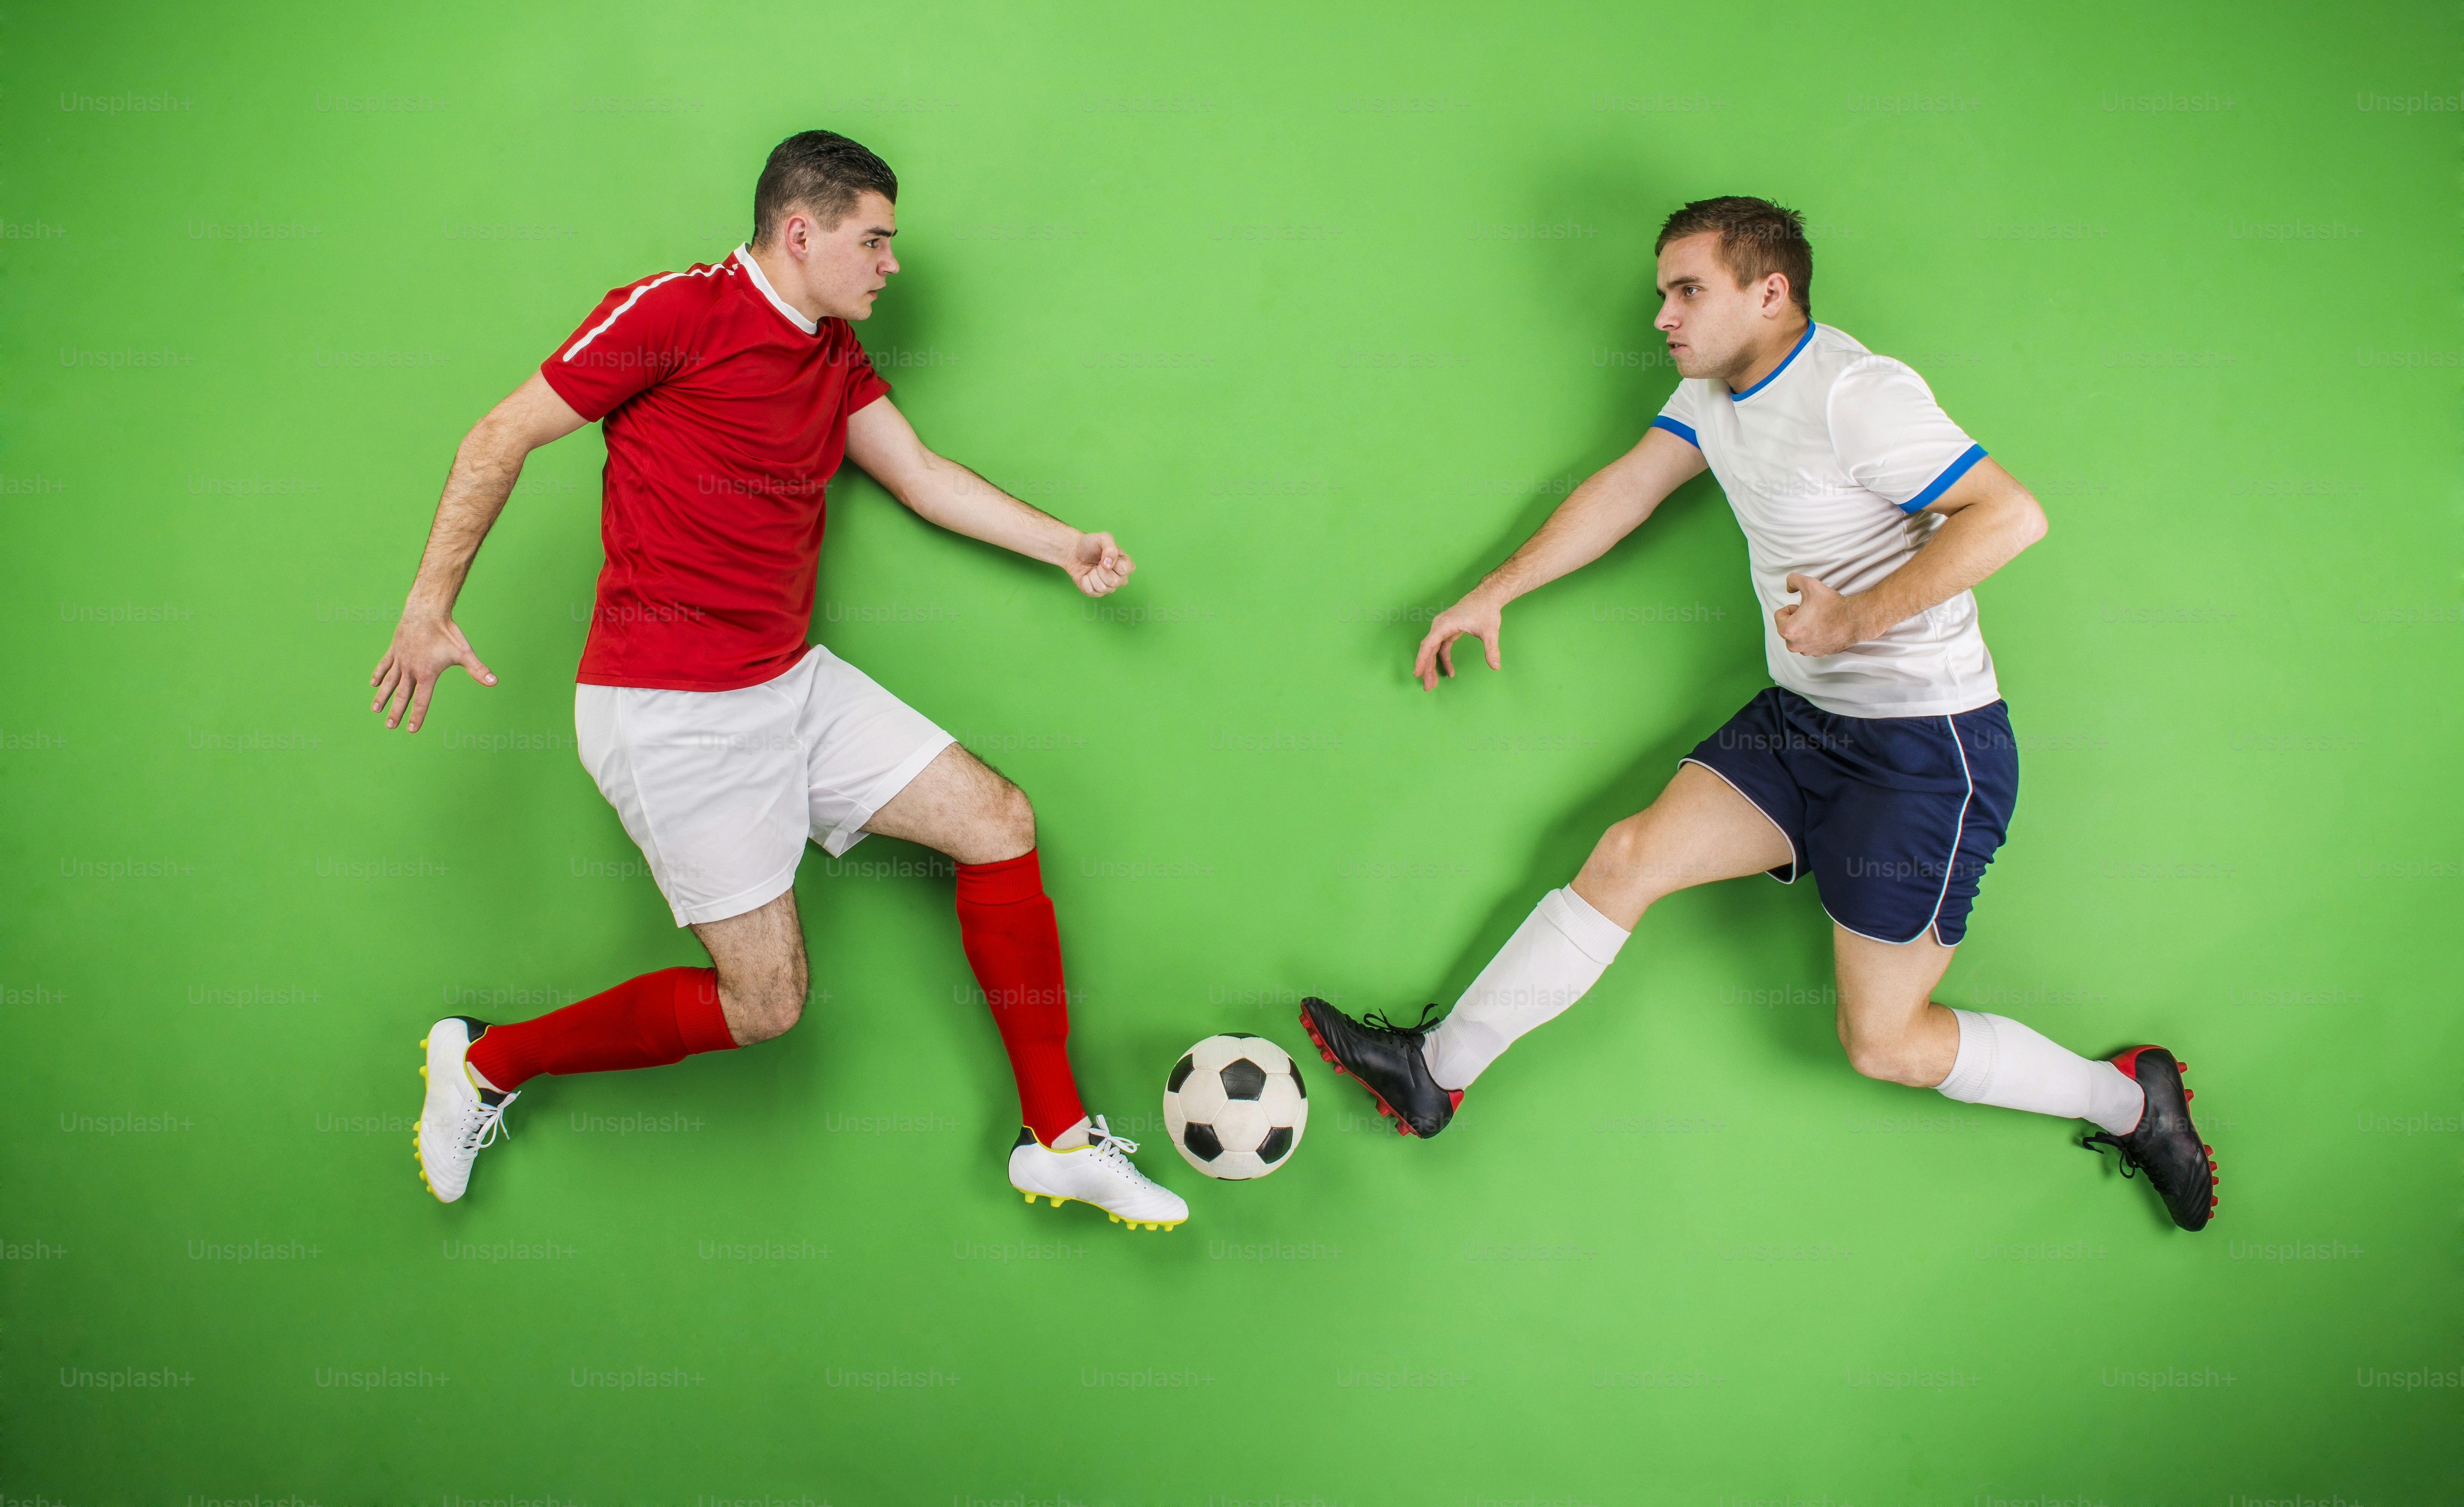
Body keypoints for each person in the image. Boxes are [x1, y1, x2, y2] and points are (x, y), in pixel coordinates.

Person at [1298, 196, 2216, 1231]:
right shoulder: (1713, 393)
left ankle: (2133, 1097)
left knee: (1883, 1042)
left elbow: (2013, 514)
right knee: (1626, 855)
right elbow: (1628, 488)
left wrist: (1856, 617)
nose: (1662, 316)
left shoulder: (1854, 394)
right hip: (1806, 719)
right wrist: (1495, 589)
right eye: (1662, 293)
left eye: (1687, 289)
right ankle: (1434, 1074)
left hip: (1925, 750)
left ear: (1769, 291)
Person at [373, 130, 1186, 1230]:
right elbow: (500, 435)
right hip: (668, 712)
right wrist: (428, 608)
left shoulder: (831, 355)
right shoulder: (671, 311)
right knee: (768, 1004)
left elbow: (921, 475)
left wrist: (1066, 545)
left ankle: (1059, 1139)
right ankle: (484, 1064)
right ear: (800, 232)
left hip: (785, 683)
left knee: (998, 819)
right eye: (874, 240)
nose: (891, 265)